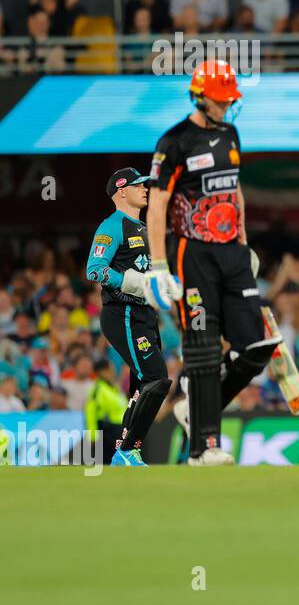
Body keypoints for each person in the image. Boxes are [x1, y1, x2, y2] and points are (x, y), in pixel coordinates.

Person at [148, 60, 279, 466]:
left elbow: (234, 191)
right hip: (192, 254)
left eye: (229, 100)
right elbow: (157, 206)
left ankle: (195, 406)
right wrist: (158, 265)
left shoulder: (230, 133)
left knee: (255, 347)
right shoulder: (174, 142)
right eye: (221, 100)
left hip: (231, 252)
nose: (226, 106)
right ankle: (204, 448)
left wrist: (243, 241)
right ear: (200, 97)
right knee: (203, 349)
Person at [85, 168, 176, 467]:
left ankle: (124, 453)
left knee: (143, 384)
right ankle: (127, 450)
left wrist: (164, 284)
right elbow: (94, 270)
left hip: (144, 313)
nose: (145, 189)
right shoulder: (112, 226)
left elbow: (147, 273)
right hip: (123, 312)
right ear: (121, 191)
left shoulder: (143, 227)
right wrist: (130, 282)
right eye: (138, 185)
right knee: (157, 378)